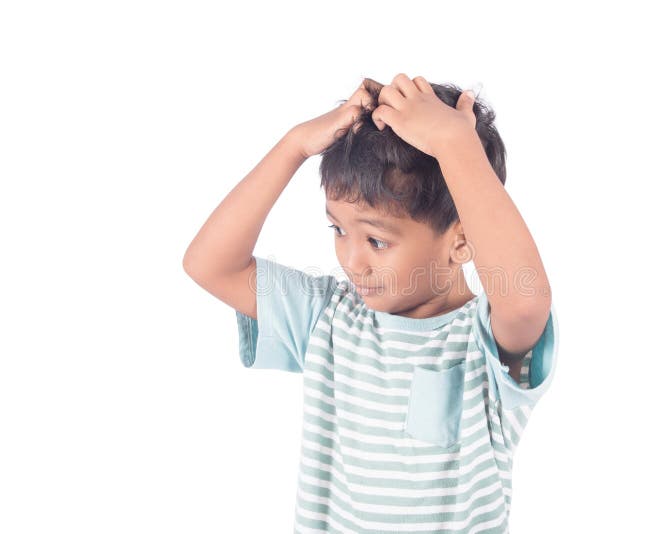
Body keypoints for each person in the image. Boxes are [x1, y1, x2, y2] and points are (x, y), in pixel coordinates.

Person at [183, 73, 559, 533]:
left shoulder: (484, 347)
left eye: (377, 241)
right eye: (338, 230)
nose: (351, 261)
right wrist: (294, 146)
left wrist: (455, 145)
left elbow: (524, 303)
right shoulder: (329, 318)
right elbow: (210, 264)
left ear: (462, 239)